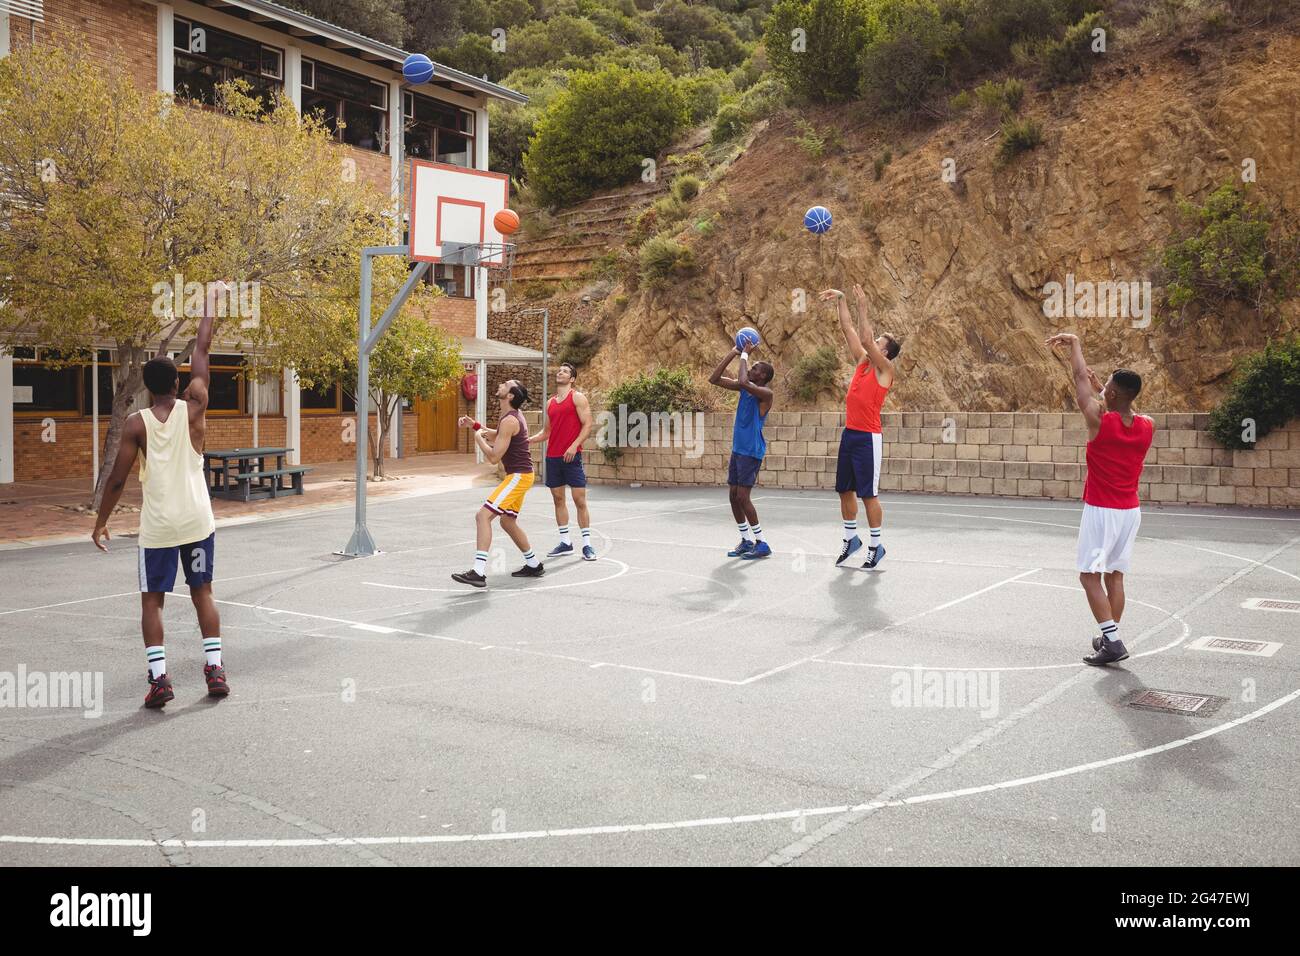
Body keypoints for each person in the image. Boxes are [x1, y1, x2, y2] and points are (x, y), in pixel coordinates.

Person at [92, 288, 227, 708]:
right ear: (177, 383)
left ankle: (159, 681)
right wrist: (211, 302)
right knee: (203, 592)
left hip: (159, 527)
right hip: (197, 520)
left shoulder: (137, 423)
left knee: (153, 601)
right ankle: (215, 670)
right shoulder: (196, 405)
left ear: (146, 390)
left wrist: (100, 521)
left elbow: (117, 480)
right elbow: (202, 347)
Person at [1047, 332, 1154, 666]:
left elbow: (1079, 377)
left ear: (1115, 393)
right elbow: (1126, 411)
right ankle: (1110, 636)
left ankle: (1114, 643)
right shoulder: (1147, 425)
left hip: (1102, 511)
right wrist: (1104, 390)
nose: (1100, 385)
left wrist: (1075, 344)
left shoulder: (1099, 421)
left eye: (1106, 384)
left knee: (1088, 576)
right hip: (1130, 511)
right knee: (1115, 576)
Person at [819, 285, 901, 570]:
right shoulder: (862, 362)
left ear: (884, 352)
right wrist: (841, 299)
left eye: (878, 342)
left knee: (868, 494)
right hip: (850, 434)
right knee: (844, 489)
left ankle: (876, 546)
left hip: (868, 438)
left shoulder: (885, 370)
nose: (872, 343)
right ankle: (851, 539)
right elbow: (848, 329)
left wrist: (863, 306)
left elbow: (865, 336)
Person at [452, 380, 544, 588]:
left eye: (506, 384)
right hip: (522, 475)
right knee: (507, 522)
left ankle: (478, 572)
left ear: (510, 395)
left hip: (518, 476)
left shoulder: (510, 420)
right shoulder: (510, 417)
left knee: (482, 516)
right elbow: (498, 435)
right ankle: (533, 564)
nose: (501, 384)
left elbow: (494, 457)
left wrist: (478, 439)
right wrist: (475, 425)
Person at [708, 340, 776, 559]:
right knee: (733, 496)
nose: (751, 369)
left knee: (743, 497)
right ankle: (746, 540)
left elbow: (745, 381)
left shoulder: (765, 393)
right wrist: (733, 352)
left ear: (762, 376)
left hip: (751, 451)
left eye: (755, 368)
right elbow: (714, 379)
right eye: (751, 366)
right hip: (738, 450)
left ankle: (762, 543)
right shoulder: (744, 388)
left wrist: (745, 355)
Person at [528, 363, 597, 561]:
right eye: (559, 370)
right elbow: (546, 432)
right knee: (558, 500)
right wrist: (529, 440)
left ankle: (587, 545)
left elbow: (587, 425)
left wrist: (574, 446)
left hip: (572, 457)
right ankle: (565, 543)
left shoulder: (577, 397)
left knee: (579, 500)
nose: (560, 372)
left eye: (565, 371)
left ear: (572, 379)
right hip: (553, 457)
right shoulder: (550, 403)